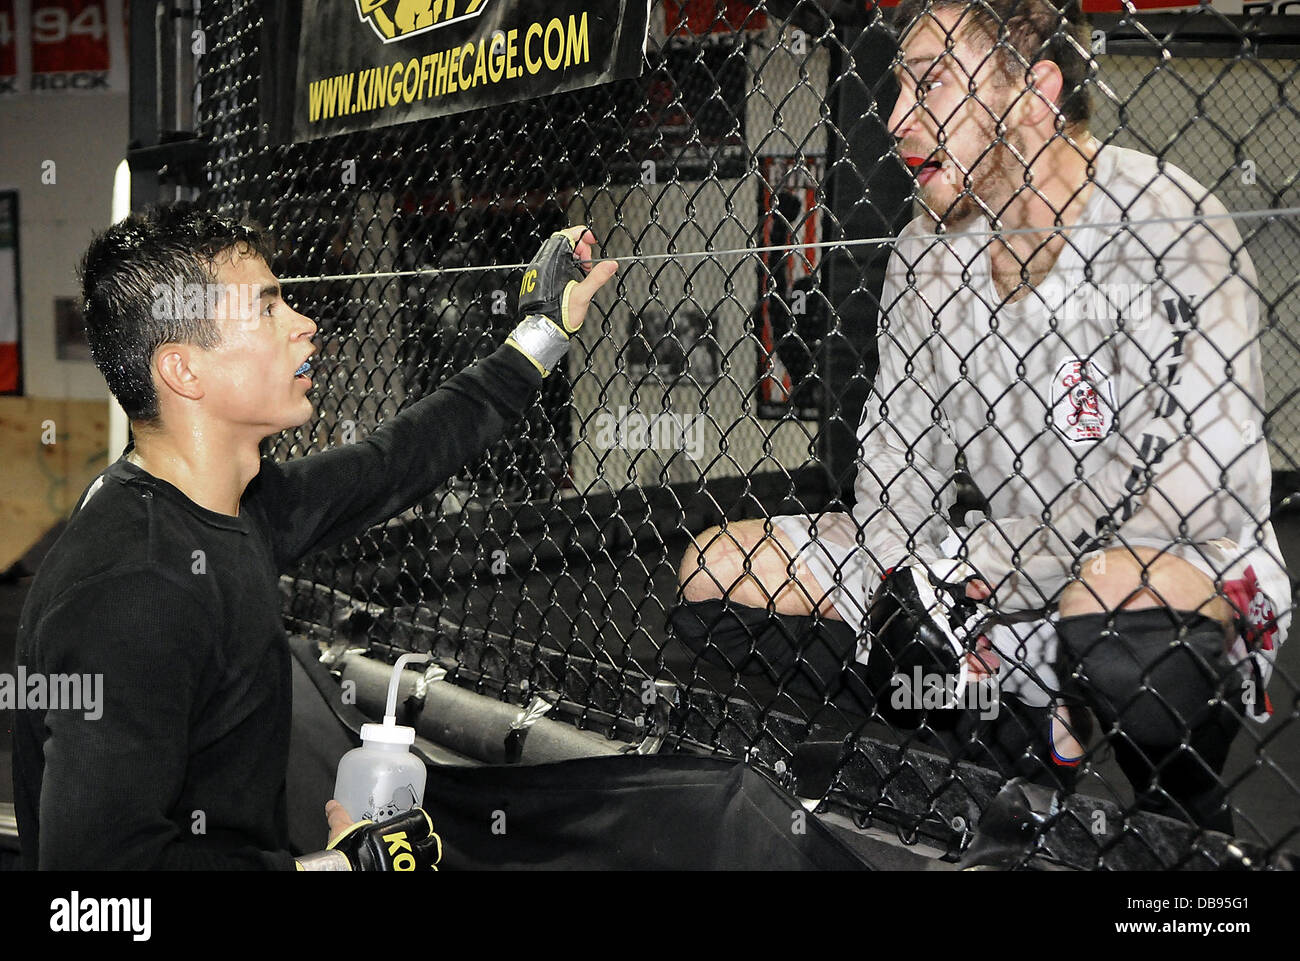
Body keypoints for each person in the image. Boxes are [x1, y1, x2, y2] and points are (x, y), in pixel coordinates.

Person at [674, 0, 1288, 832]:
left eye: (930, 84)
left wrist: (976, 573)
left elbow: (1179, 502)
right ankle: (1003, 740)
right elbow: (897, 452)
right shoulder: (928, 248)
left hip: (1169, 562)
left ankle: (1182, 833)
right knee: (716, 568)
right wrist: (901, 581)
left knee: (1113, 596)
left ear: (1032, 93)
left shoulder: (1169, 230)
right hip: (982, 564)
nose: (896, 118)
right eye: (896, 88)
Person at [11, 204, 615, 869]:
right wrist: (339, 867)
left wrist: (543, 331)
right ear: (184, 371)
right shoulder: (135, 587)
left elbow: (396, 460)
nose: (305, 325)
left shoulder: (232, 503)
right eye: (267, 310)